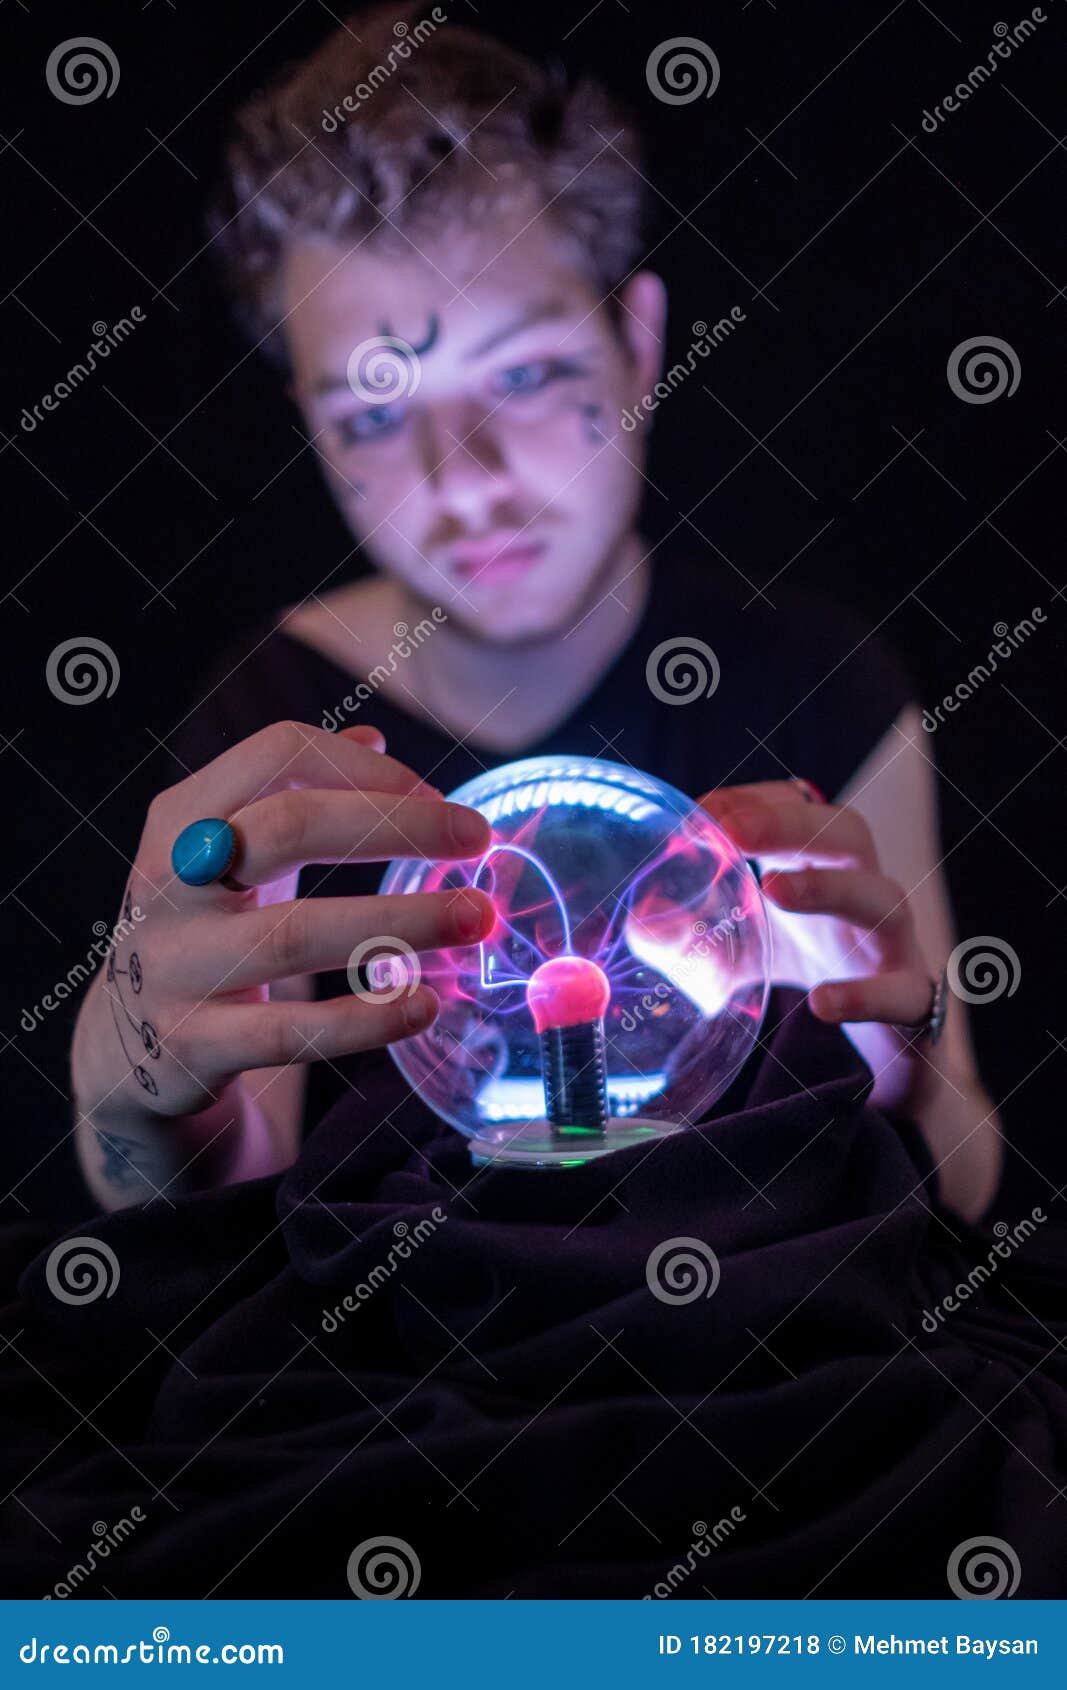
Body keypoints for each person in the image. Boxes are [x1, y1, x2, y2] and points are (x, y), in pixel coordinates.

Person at [70, 5, 1000, 1222]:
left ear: (638, 339)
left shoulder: (821, 684)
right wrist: (133, 1092)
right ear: (306, 419)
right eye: (370, 413)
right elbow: (206, 1195)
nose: (463, 474)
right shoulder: (277, 722)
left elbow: (969, 1191)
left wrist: (908, 1056)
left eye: (522, 373)